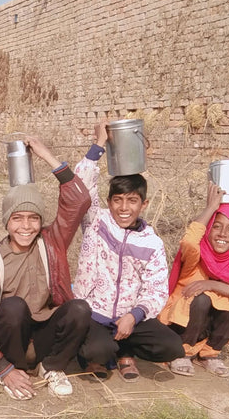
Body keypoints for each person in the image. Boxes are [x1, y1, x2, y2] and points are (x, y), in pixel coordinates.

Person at [0, 137, 92, 399]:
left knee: (80, 309)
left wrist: (47, 155)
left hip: (45, 336)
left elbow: (79, 201)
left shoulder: (52, 242)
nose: (26, 227)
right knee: (14, 307)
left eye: (33, 218)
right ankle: (15, 372)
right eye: (17, 218)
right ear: (7, 222)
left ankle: (52, 367)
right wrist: (2, 367)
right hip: (13, 340)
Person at [73, 124, 184, 381]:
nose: (124, 208)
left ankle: (125, 351)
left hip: (129, 318)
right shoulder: (97, 222)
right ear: (109, 202)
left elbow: (156, 289)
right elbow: (81, 185)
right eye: (118, 200)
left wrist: (134, 316)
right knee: (98, 350)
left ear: (143, 204)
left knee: (172, 347)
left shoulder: (151, 243)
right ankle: (105, 352)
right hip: (95, 313)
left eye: (132, 200)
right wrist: (99, 143)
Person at [158, 184, 229, 378]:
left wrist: (214, 285)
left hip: (206, 329)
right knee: (202, 299)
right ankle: (182, 353)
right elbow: (189, 241)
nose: (223, 234)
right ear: (208, 230)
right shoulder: (197, 256)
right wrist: (210, 208)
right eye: (216, 226)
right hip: (179, 326)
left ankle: (210, 353)